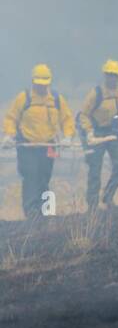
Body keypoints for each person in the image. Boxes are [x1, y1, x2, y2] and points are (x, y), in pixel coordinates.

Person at [2, 64, 75, 220]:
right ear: (33, 82)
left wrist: (68, 136)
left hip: (48, 146)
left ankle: (47, 213)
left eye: (44, 84)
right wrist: (9, 135)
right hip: (27, 146)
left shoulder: (56, 99)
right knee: (31, 176)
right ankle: (31, 214)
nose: (42, 87)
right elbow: (11, 118)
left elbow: (67, 118)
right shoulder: (24, 98)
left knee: (44, 178)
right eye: (39, 84)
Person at [77, 59, 118, 208]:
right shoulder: (96, 93)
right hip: (96, 134)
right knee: (95, 169)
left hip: (114, 134)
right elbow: (83, 115)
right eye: (110, 75)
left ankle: (108, 195)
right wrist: (88, 132)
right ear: (105, 75)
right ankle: (93, 205)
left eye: (116, 75)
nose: (113, 78)